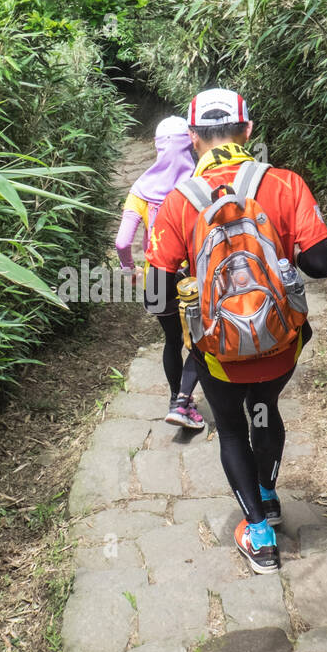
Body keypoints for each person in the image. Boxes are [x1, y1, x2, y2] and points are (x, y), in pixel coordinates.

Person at [145, 89, 327, 573]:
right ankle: (269, 496)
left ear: (193, 140)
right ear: (247, 130)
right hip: (280, 344)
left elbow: (154, 296)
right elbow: (323, 265)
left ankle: (259, 535)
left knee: (231, 428)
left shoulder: (177, 201)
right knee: (264, 409)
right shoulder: (286, 184)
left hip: (217, 351)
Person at [115, 115, 205, 430]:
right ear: (191, 143)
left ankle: (175, 400)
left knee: (172, 340)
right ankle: (185, 400)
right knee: (200, 339)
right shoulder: (202, 183)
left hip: (156, 276)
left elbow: (122, 241)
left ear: (156, 147)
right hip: (195, 275)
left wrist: (131, 272)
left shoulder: (140, 189)